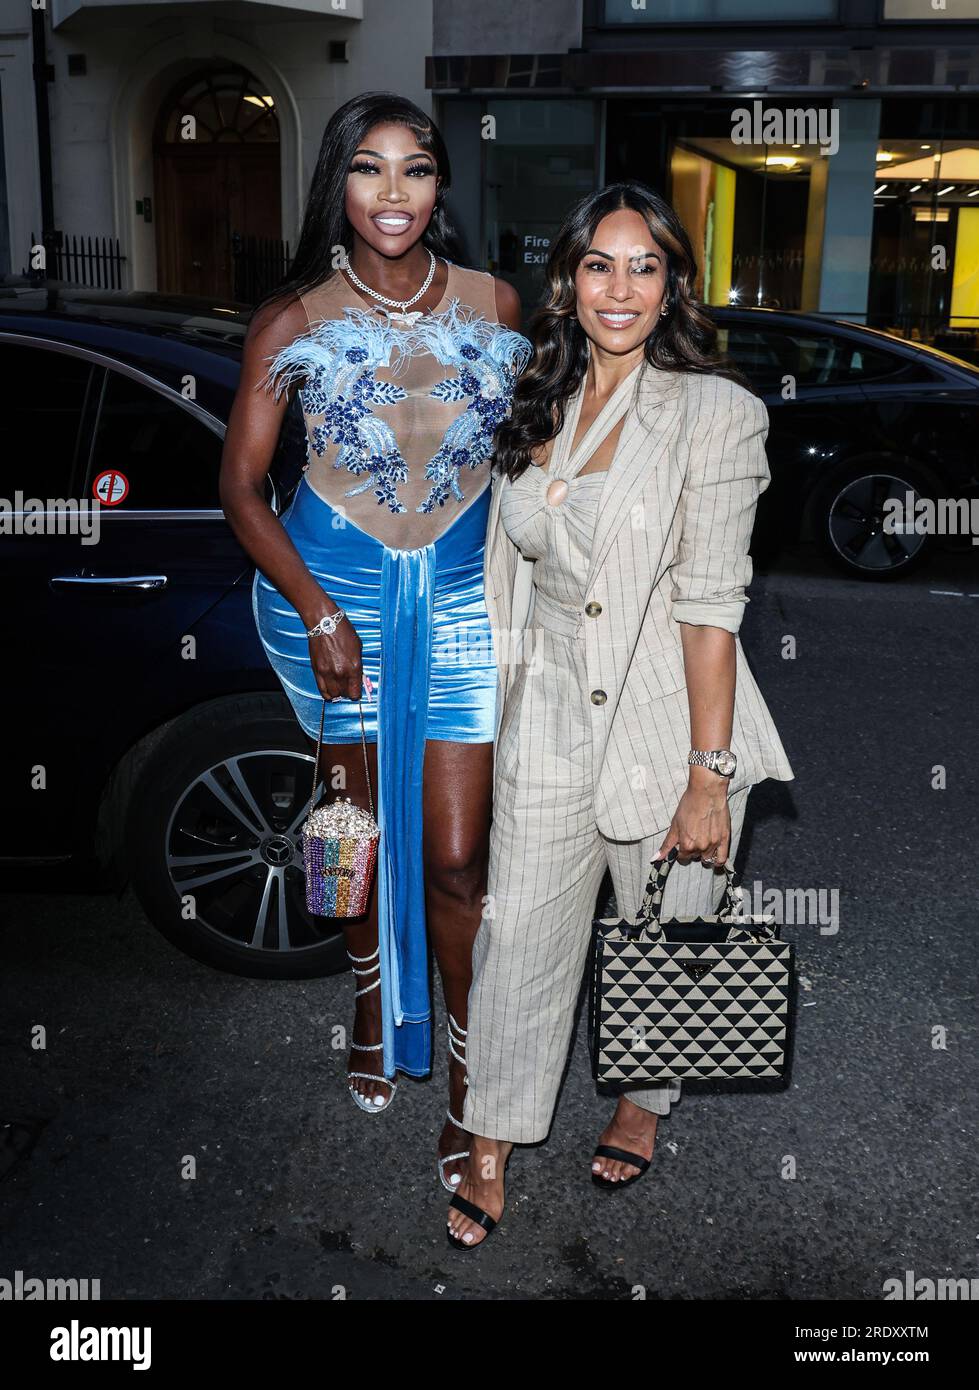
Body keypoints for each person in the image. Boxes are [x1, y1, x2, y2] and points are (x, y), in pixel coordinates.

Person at [446, 181, 794, 1248]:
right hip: (545, 705)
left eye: (645, 267)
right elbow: (502, 569)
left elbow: (710, 605)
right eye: (601, 263)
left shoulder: (714, 413)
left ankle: (644, 1102)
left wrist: (708, 771)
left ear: (673, 284)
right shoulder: (531, 395)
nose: (620, 287)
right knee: (520, 940)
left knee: (667, 927)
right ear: (570, 277)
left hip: (662, 709)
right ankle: (491, 1135)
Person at [219, 92, 529, 1193]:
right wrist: (315, 608)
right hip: (330, 600)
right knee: (345, 833)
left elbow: (537, 457)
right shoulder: (292, 321)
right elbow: (241, 488)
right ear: (337, 187)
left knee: (455, 857)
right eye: (367, 169)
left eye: (415, 168)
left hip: (454, 605)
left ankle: (462, 1077)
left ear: (442, 185)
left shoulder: (498, 303)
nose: (392, 192)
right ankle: (363, 994)